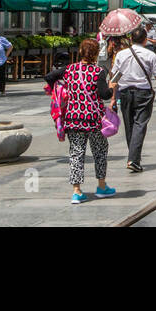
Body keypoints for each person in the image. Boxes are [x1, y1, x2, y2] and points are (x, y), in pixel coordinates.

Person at [58, 38, 115, 205]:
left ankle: (76, 191)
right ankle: (102, 186)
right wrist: (111, 86)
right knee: (100, 151)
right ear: (96, 53)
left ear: (81, 52)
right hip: (93, 119)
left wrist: (61, 90)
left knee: (76, 153)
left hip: (73, 118)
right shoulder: (98, 72)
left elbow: (49, 76)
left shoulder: (69, 69)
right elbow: (104, 94)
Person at [109, 28, 156, 172]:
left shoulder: (121, 55)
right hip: (143, 93)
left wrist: (114, 97)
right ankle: (133, 159)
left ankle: (133, 157)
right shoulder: (150, 55)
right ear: (145, 40)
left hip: (125, 92)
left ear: (131, 39)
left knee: (129, 125)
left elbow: (114, 77)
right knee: (140, 124)